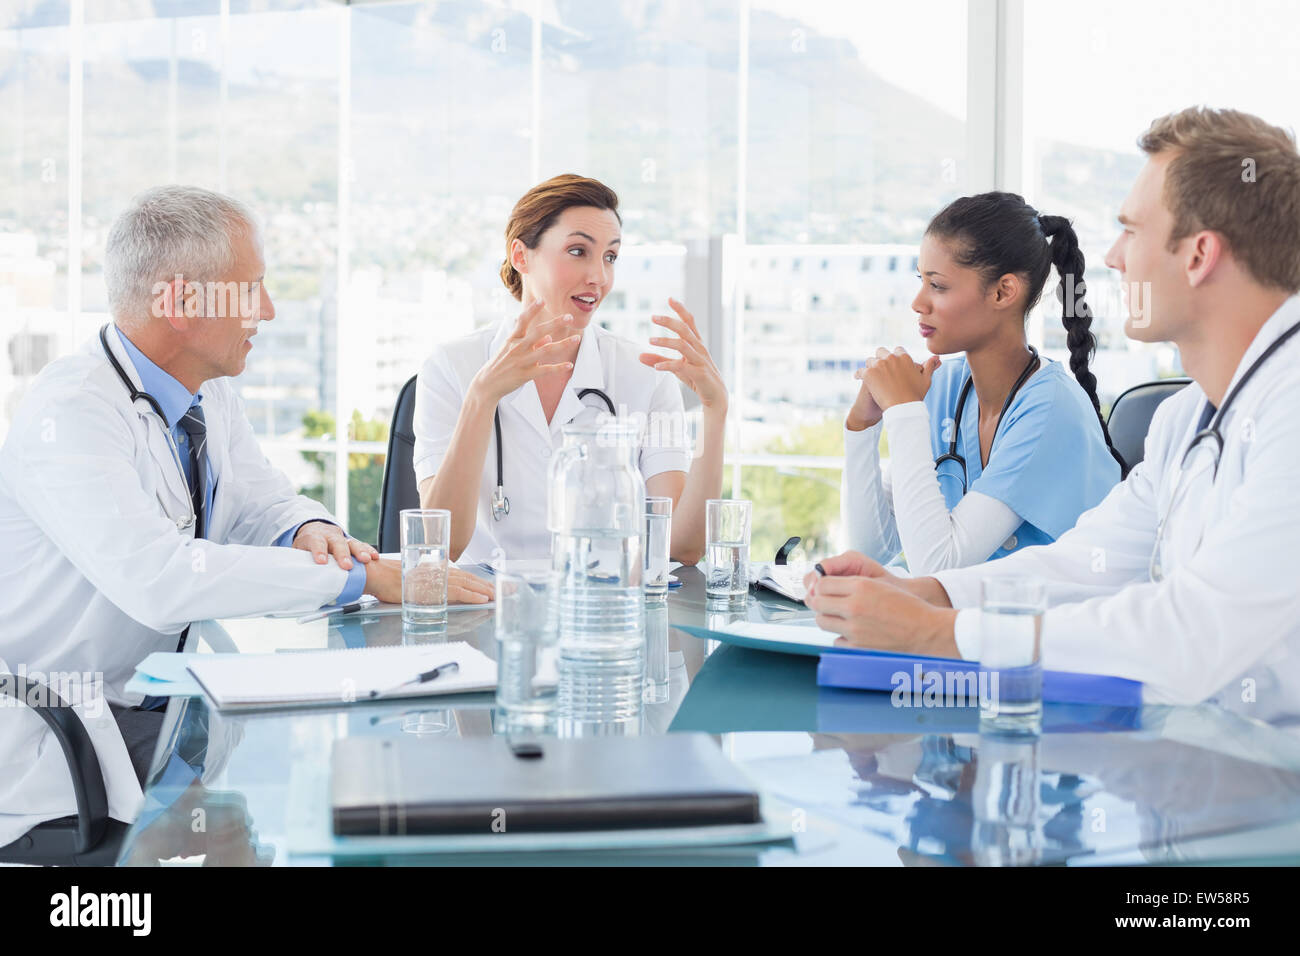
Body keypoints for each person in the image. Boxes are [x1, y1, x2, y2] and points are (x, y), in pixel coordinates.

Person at [0, 185, 492, 843]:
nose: (267, 309)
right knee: (306, 803)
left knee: (326, 774)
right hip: (67, 734)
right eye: (251, 289)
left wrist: (309, 530)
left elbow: (262, 500)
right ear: (181, 302)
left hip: (156, 703)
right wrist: (361, 578)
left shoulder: (207, 393)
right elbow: (160, 580)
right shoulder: (72, 412)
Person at [805, 107, 1300, 707]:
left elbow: (1192, 631)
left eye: (1131, 231)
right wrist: (927, 594)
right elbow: (1083, 566)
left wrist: (937, 633)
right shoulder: (1185, 419)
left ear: (1198, 256)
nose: (1113, 256)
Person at [414, 174, 727, 564]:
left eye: (610, 257)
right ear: (521, 256)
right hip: (485, 598)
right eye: (578, 251)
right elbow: (441, 545)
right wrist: (482, 396)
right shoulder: (451, 366)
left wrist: (715, 411)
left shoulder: (646, 375)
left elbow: (680, 546)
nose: (599, 277)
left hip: (599, 596)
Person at [843, 192, 1123, 576]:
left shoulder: (1051, 408)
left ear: (1003, 292)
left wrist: (904, 412)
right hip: (975, 612)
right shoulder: (942, 388)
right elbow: (870, 550)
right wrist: (862, 426)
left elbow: (937, 565)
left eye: (938, 286)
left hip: (1062, 613)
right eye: (921, 280)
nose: (918, 303)